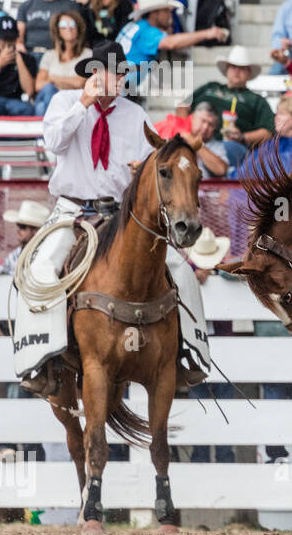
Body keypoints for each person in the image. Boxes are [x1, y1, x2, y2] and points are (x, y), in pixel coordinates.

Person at [14, 40, 210, 397]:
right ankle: (40, 358)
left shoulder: (135, 115)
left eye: (122, 73)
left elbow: (155, 164)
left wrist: (141, 170)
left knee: (180, 269)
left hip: (120, 214)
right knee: (39, 269)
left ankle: (190, 354)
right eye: (111, 72)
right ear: (93, 74)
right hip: (72, 210)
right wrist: (83, 104)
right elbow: (53, 143)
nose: (118, 79)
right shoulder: (63, 102)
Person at [115, 0, 228, 91]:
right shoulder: (148, 32)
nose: (170, 14)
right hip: (122, 89)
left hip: (118, 84)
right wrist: (208, 33)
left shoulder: (136, 26)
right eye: (166, 11)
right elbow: (171, 43)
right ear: (154, 14)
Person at [192, 45, 274, 151]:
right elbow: (183, 105)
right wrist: (185, 127)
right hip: (195, 136)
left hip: (230, 145)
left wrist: (242, 137)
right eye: (233, 67)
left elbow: (268, 132)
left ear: (249, 73)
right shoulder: (211, 87)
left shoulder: (256, 100)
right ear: (226, 69)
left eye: (242, 68)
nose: (236, 71)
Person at [33, 11, 92, 117]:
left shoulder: (87, 54)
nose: (68, 28)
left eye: (72, 24)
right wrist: (67, 82)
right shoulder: (49, 55)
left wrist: (52, 78)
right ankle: (53, 125)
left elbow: (79, 83)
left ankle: (52, 127)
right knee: (48, 91)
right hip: (50, 99)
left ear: (78, 28)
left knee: (43, 104)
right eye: (63, 25)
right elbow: (39, 85)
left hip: (74, 100)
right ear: (58, 30)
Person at [0, 199, 48, 285]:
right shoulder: (19, 251)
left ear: (36, 231)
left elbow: (21, 271)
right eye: (18, 225)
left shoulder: (44, 251)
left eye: (22, 227)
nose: (18, 230)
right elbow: (8, 266)